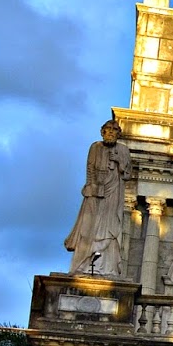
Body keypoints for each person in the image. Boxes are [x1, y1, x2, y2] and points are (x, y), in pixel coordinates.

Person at [64, 117, 133, 276]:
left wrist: (119, 162)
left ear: (118, 134)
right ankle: (82, 264)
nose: (110, 133)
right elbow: (90, 168)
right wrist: (92, 187)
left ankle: (108, 267)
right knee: (88, 227)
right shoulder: (95, 147)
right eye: (107, 130)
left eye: (114, 130)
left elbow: (128, 173)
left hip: (113, 193)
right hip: (95, 192)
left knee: (110, 227)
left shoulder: (123, 150)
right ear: (102, 132)